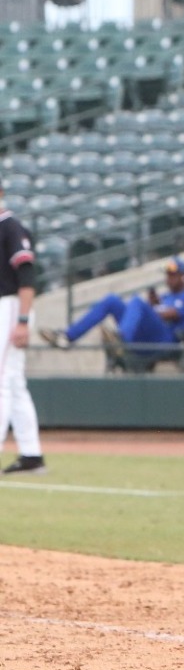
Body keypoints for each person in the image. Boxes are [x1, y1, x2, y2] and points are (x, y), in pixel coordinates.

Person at [42, 257, 184, 358]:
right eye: (168, 275)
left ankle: (121, 340)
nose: (169, 279)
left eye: (173, 275)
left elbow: (169, 315)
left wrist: (152, 308)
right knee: (112, 300)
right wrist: (154, 304)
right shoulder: (165, 297)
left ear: (183, 276)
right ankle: (68, 336)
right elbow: (155, 312)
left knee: (136, 301)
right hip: (144, 338)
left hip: (165, 343)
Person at [0, 193, 44, 476]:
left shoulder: (10, 226)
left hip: (12, 306)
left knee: (2, 381)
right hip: (7, 307)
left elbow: (27, 276)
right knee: (14, 383)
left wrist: (24, 320)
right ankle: (31, 454)